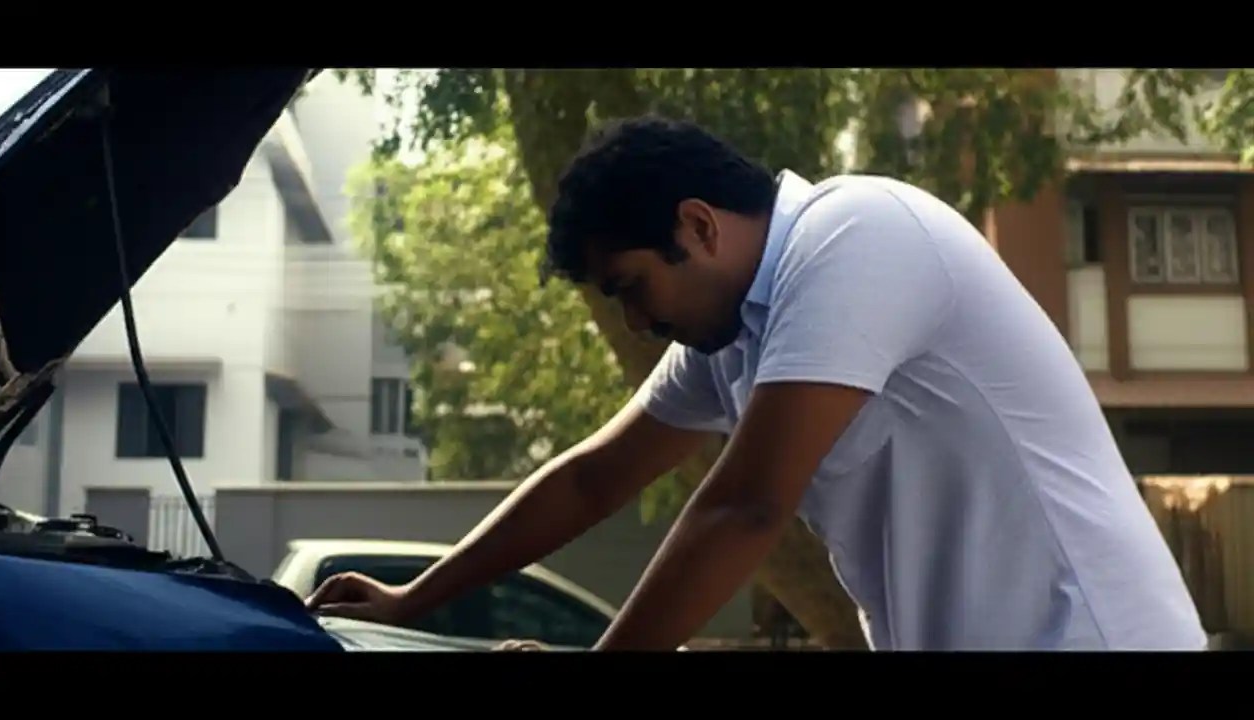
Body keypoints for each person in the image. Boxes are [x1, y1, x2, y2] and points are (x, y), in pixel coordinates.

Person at [307, 115, 1208, 651]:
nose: (634, 323)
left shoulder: (856, 236)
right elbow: (595, 476)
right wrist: (412, 599)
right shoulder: (739, 332)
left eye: (630, 288)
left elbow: (744, 508)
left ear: (697, 226)